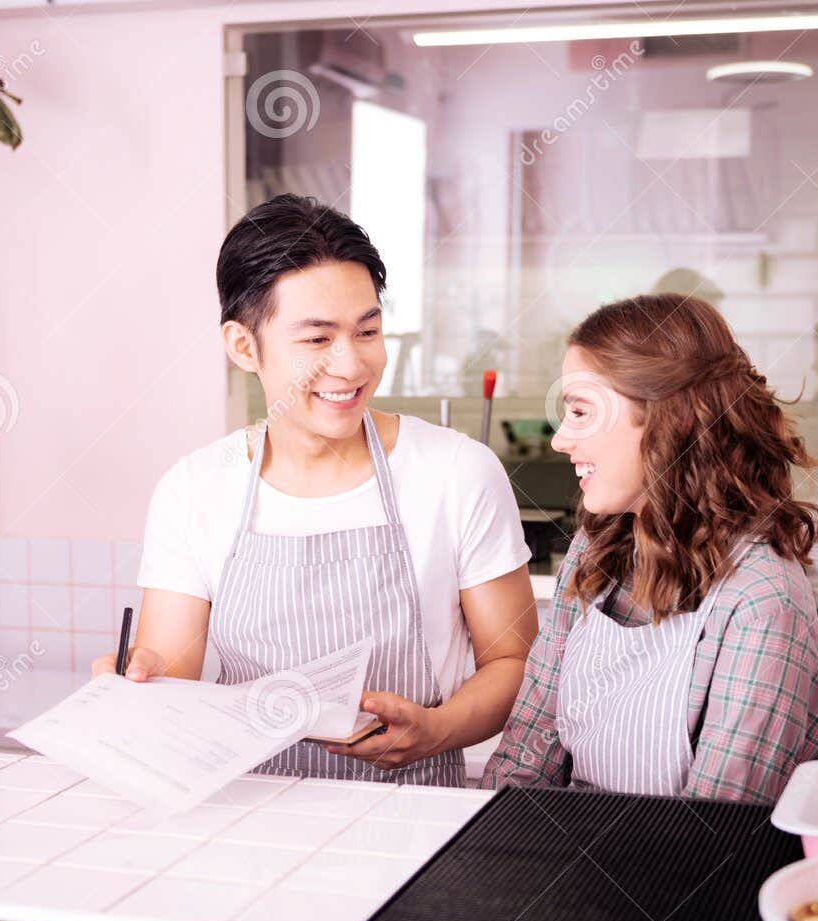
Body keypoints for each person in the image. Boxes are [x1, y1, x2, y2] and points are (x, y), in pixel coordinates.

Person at [95, 194, 537, 785]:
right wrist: (143, 679)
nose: (351, 365)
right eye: (316, 339)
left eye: (368, 330)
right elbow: (170, 678)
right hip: (247, 820)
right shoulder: (195, 489)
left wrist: (435, 730)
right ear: (243, 346)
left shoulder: (458, 473)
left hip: (417, 824)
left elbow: (515, 663)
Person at [483, 294, 818, 801]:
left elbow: (711, 839)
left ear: (665, 421)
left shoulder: (762, 599)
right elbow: (525, 757)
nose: (561, 440)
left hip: (680, 872)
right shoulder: (595, 554)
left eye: (581, 411)